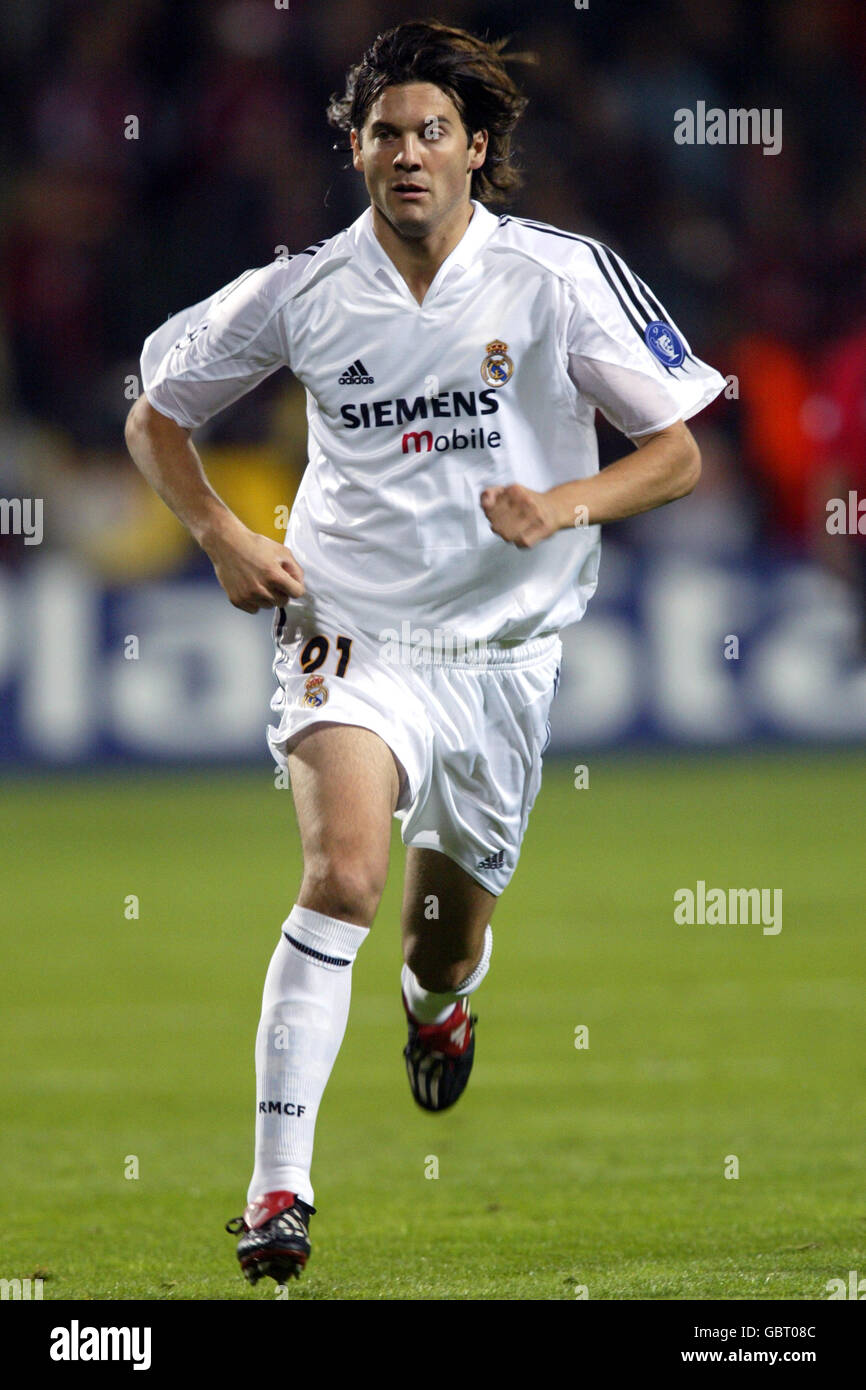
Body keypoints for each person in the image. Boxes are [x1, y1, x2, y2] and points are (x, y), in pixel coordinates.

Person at [124, 19, 725, 1287]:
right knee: (341, 876)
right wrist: (227, 535)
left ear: (476, 149)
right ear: (355, 149)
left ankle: (437, 1009)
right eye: (385, 132)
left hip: (503, 656)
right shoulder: (301, 289)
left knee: (434, 941)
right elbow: (156, 413)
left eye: (431, 132)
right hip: (354, 631)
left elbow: (675, 450)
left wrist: (559, 503)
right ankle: (275, 1192)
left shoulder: (556, 276)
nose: (408, 152)